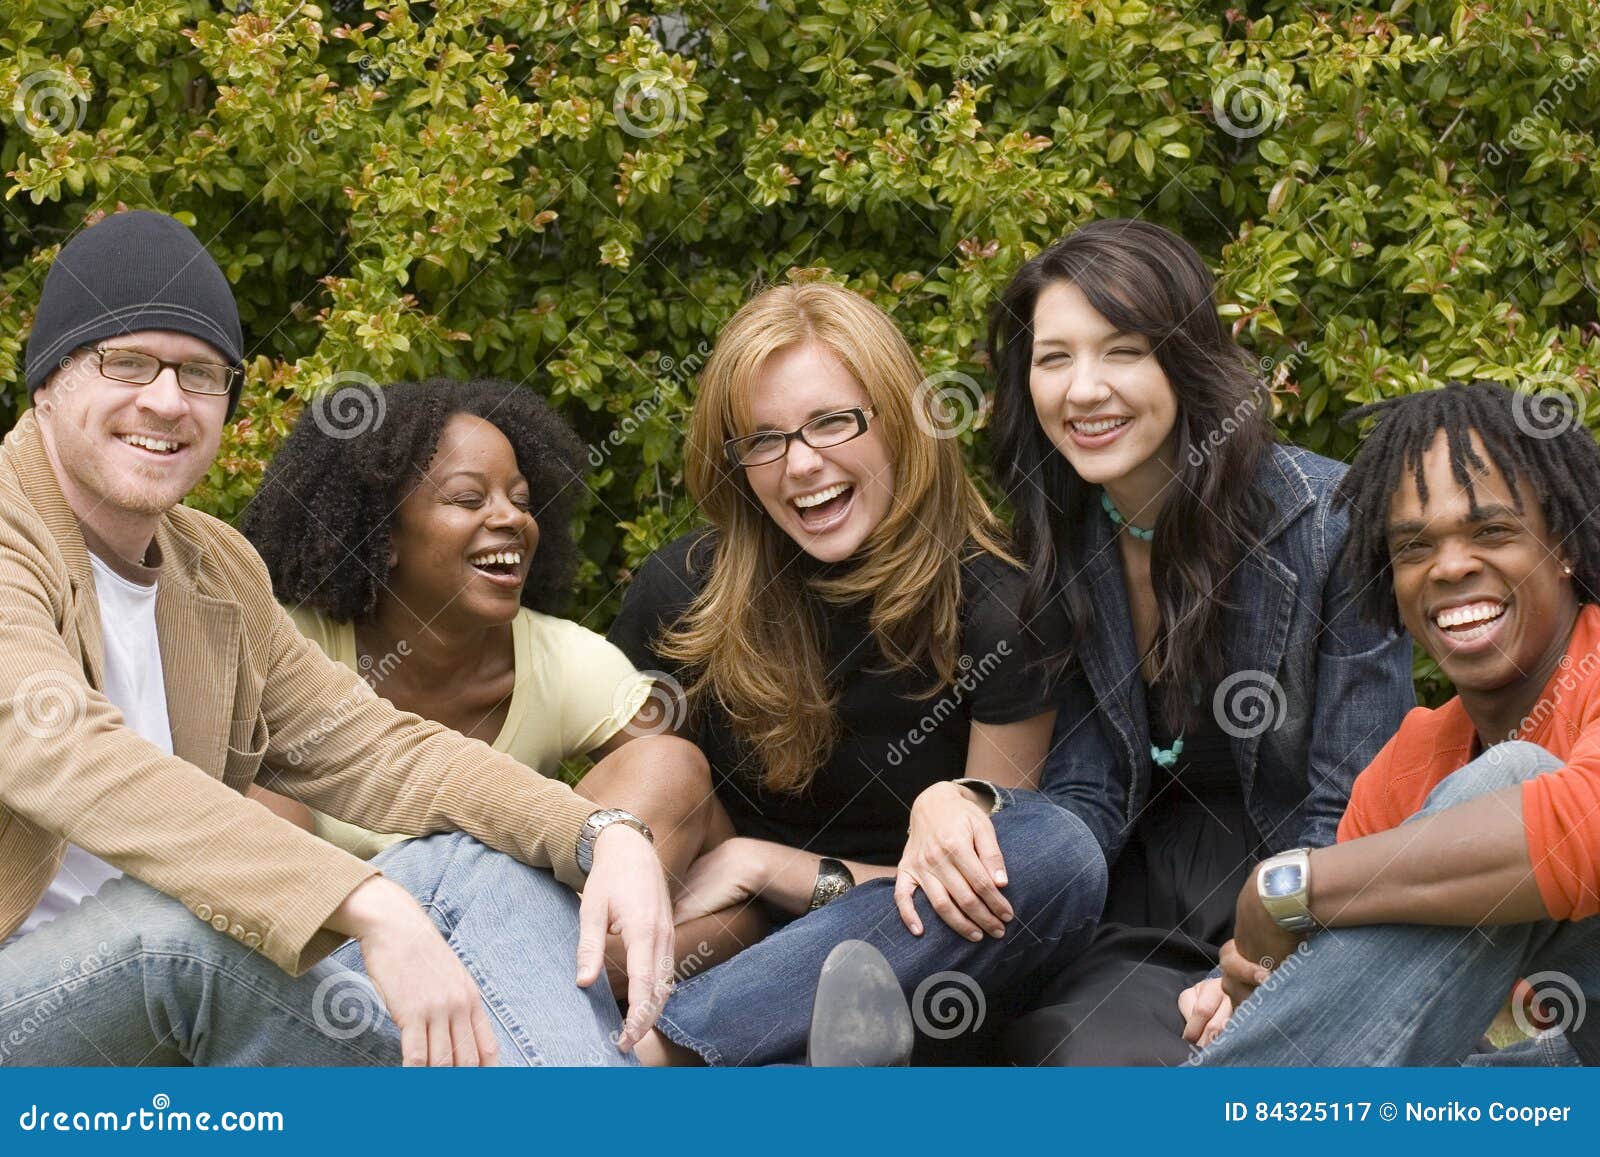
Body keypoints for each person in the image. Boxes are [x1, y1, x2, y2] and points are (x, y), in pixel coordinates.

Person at [0, 209, 674, 1067]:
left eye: (200, 373)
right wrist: (362, 898)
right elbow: (62, 751)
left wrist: (599, 830)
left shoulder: (216, 569)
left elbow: (374, 748)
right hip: (31, 1007)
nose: (166, 400)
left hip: (172, 991)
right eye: (126, 361)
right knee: (181, 922)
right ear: (48, 381)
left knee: (484, 864)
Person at [607, 280, 1108, 1066]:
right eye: (763, 439)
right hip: (721, 939)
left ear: (900, 420)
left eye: (832, 422)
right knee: (657, 765)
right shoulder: (679, 594)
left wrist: (767, 866)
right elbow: (631, 809)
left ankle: (651, 1059)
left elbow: (981, 879)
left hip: (903, 949)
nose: (802, 464)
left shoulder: (997, 608)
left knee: (1053, 853)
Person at [985, 218, 1414, 1064]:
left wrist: (1255, 961)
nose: (1083, 389)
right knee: (1069, 1050)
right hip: (1129, 906)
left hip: (1296, 889)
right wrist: (972, 805)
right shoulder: (1058, 536)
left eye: (1123, 351)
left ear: (1185, 359)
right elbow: (1083, 794)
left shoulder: (1330, 525)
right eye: (1054, 357)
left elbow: (1354, 807)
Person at [240, 378, 718, 991]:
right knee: (256, 797)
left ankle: (558, 980)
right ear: (382, 535)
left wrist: (747, 890)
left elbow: (703, 835)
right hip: (340, 980)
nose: (512, 518)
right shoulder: (286, 646)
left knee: (669, 763)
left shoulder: (565, 660)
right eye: (468, 499)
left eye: (521, 500)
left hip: (524, 957)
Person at [1196, 380, 1600, 1066]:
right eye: (1413, 547)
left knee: (1515, 780)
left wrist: (1286, 887)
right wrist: (1251, 981)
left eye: (1492, 531)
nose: (1450, 566)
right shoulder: (1411, 765)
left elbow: (1579, 830)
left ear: (1562, 546)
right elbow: (1341, 988)